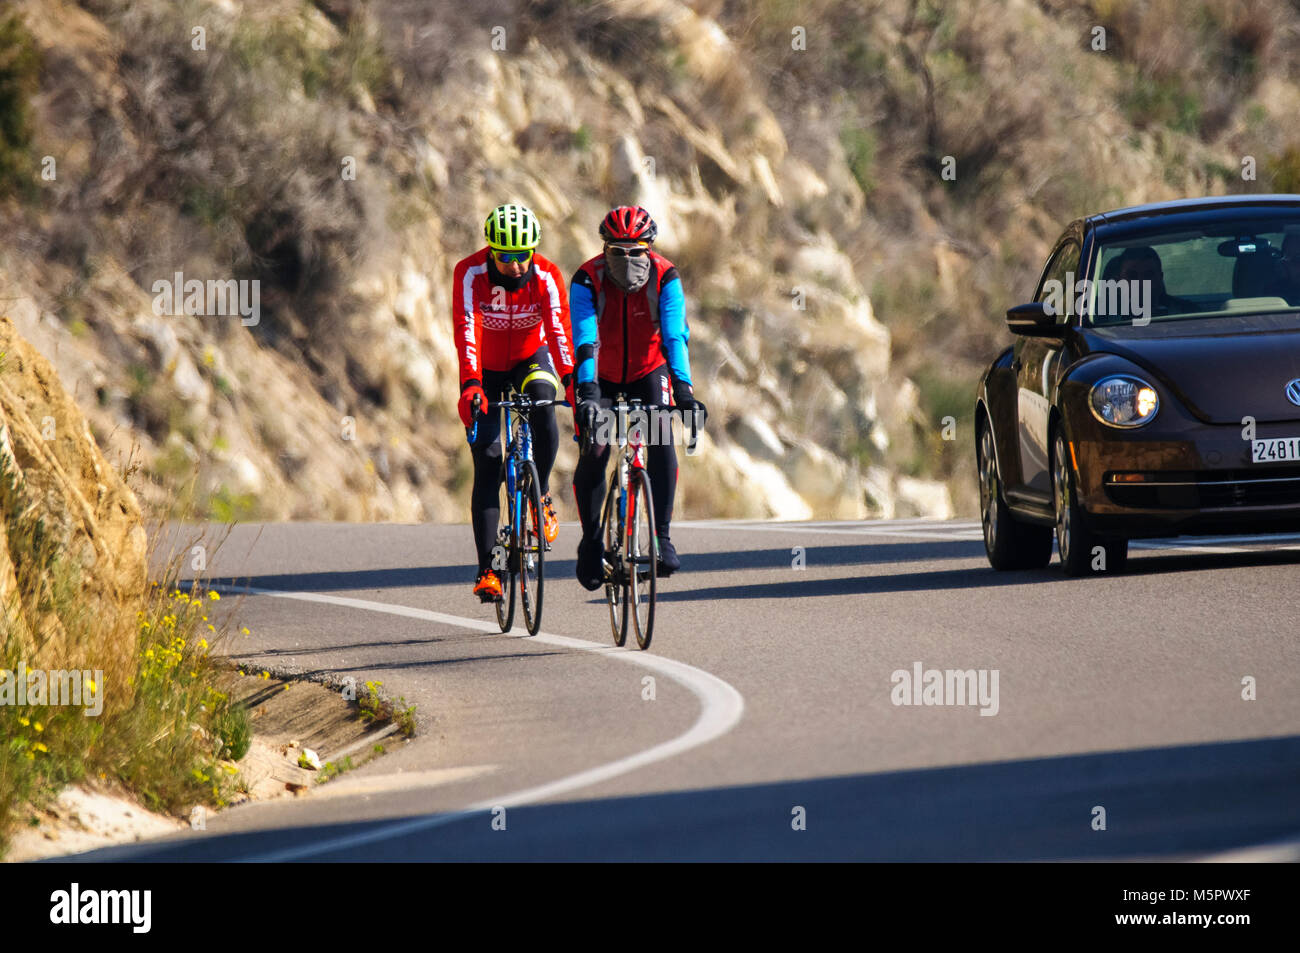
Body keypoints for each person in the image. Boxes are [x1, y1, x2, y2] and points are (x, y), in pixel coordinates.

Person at [569, 206, 706, 590]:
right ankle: (592, 541)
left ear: (650, 249)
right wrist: (588, 393)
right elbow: (584, 339)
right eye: (617, 251)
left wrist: (684, 391)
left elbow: (675, 335)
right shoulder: (587, 278)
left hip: (650, 370)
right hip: (601, 377)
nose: (627, 259)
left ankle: (661, 537)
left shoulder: (666, 276)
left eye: (636, 251)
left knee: (661, 436)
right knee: (596, 449)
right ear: (604, 249)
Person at [452, 203, 575, 602]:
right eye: (505, 257)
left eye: (524, 255)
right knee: (487, 466)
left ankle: (538, 497)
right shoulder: (469, 274)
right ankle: (488, 569)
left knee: (544, 404)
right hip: (483, 370)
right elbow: (466, 329)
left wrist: (572, 379)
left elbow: (557, 330)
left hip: (529, 358)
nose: (516, 265)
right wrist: (471, 385)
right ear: (490, 251)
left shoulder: (547, 275)